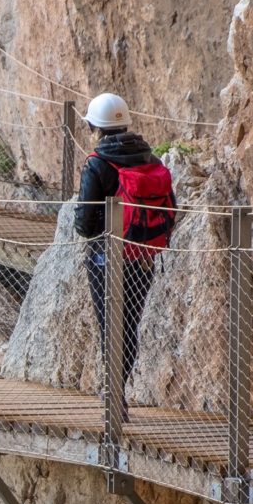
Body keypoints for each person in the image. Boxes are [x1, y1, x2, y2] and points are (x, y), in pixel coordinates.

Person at [74, 93, 176, 409]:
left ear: (94, 125)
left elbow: (84, 224)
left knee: (109, 325)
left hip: (106, 256)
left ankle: (114, 398)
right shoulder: (151, 160)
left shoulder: (98, 164)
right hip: (142, 255)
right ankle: (117, 391)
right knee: (129, 323)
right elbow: (172, 207)